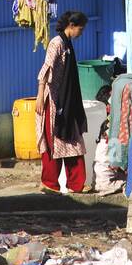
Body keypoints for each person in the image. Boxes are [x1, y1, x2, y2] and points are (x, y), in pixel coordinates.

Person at [35, 10, 89, 193]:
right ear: (71, 26)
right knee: (53, 143)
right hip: (55, 102)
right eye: (80, 29)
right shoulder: (56, 43)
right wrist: (40, 96)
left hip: (68, 101)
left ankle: (76, 184)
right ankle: (49, 184)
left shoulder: (68, 44)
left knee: (73, 142)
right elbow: (45, 70)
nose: (81, 32)